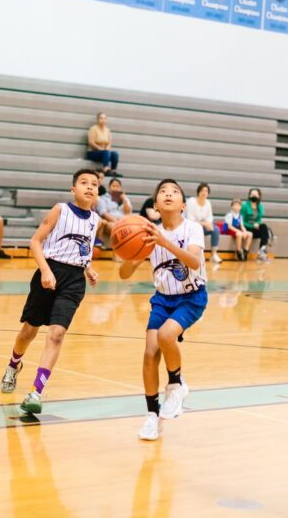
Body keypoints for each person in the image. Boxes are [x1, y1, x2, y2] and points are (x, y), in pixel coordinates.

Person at [0, 169, 101, 414]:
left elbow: (81, 249)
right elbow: (35, 241)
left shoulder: (95, 220)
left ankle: (36, 391)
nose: (89, 187)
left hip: (75, 282)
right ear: (73, 189)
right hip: (49, 271)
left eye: (94, 184)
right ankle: (14, 365)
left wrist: (88, 268)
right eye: (84, 183)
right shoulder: (60, 210)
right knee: (29, 331)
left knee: (56, 334)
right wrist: (45, 271)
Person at [119, 179, 208, 442]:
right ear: (155, 205)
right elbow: (123, 274)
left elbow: (193, 261)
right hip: (162, 298)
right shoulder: (147, 234)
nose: (168, 194)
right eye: (163, 192)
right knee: (149, 353)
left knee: (166, 336)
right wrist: (133, 255)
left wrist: (164, 242)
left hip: (191, 298)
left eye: (175, 192)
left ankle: (176, 385)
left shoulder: (192, 228)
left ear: (183, 204)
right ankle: (151, 417)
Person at [186, 183, 222, 265]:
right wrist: (205, 224)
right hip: (192, 227)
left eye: (206, 191)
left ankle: (214, 254)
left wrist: (208, 224)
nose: (204, 192)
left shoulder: (208, 203)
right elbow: (190, 220)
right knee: (199, 230)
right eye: (202, 190)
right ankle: (197, 255)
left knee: (215, 229)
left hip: (202, 226)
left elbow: (209, 218)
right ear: (198, 192)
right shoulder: (191, 202)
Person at [86, 113, 122, 177]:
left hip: (104, 153)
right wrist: (100, 149)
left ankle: (113, 171)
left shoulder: (107, 130)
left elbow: (110, 142)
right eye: (101, 118)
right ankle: (106, 170)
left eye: (105, 118)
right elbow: (91, 142)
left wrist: (107, 147)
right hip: (93, 152)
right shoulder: (93, 129)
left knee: (114, 154)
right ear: (97, 120)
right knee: (106, 152)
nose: (103, 120)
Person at [240, 188, 271, 262]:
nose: (254, 196)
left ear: (259, 196)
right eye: (252, 194)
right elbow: (241, 220)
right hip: (245, 228)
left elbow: (259, 219)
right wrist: (252, 225)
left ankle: (262, 251)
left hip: (254, 229)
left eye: (256, 194)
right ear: (249, 196)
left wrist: (258, 223)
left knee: (264, 226)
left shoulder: (260, 206)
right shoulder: (244, 206)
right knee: (264, 230)